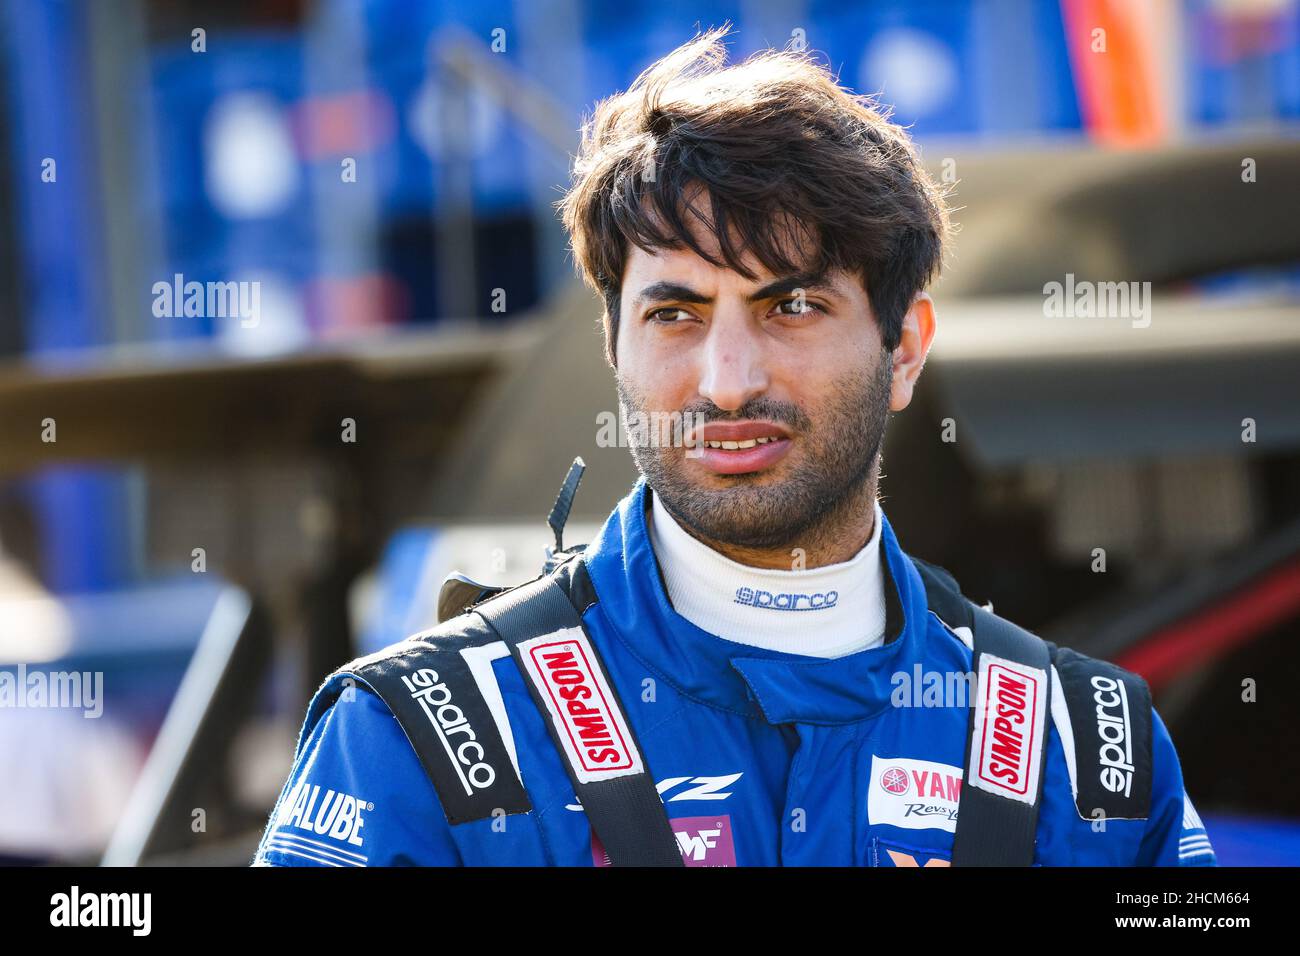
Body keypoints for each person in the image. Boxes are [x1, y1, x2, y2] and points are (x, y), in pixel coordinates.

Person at [254, 28, 1215, 868]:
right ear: (617, 347)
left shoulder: (1093, 757)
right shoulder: (416, 741)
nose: (724, 381)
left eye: (790, 304)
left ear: (905, 350)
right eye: (673, 312)